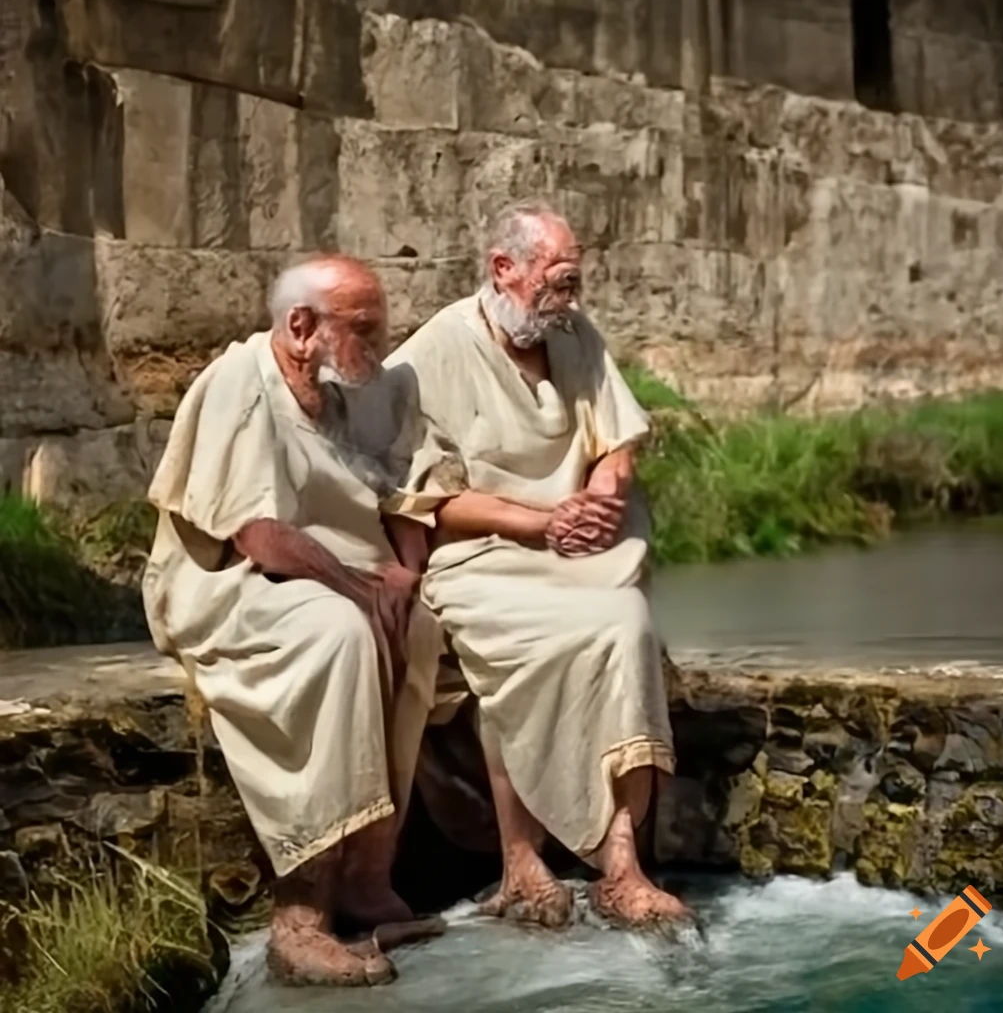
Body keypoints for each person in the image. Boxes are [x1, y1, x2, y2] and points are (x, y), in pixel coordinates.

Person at [383, 202, 689, 928]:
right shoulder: (428, 358)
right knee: (524, 658)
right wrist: (539, 521)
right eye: (557, 283)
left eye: (574, 282)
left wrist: (603, 494)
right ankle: (520, 862)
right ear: (503, 270)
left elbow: (618, 439)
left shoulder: (574, 335)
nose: (569, 300)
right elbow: (426, 503)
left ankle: (622, 864)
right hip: (484, 558)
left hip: (583, 549)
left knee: (626, 626)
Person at [143, 255, 443, 986]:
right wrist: (358, 590)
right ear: (301, 326)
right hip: (227, 587)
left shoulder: (338, 395)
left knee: (419, 628)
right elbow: (257, 534)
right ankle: (301, 915)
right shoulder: (239, 382)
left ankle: (368, 877)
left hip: (317, 579)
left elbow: (394, 492)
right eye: (364, 330)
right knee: (339, 635)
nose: (379, 347)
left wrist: (398, 578)